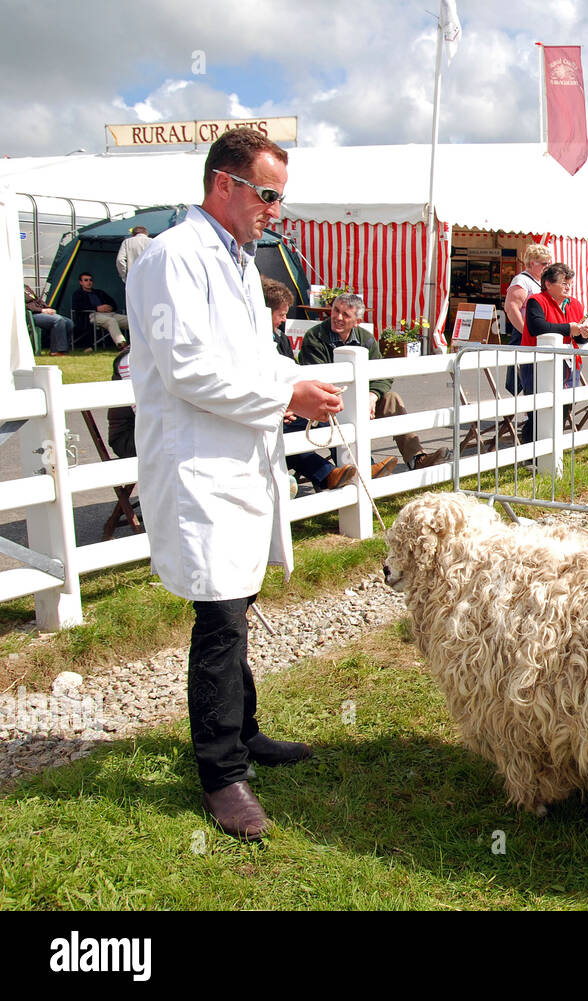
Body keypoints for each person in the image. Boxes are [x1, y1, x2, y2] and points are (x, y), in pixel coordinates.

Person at [127, 127, 343, 841]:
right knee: (219, 618)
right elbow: (188, 369)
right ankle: (221, 774)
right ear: (226, 183)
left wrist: (298, 384)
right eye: (268, 193)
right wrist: (286, 400)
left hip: (238, 461)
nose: (276, 208)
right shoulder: (171, 258)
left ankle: (243, 732)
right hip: (198, 466)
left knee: (238, 604)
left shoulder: (243, 264)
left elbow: (256, 359)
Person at [298, 293, 440, 474]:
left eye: (345, 314)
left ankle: (417, 457)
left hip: (362, 400)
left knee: (391, 399)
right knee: (339, 410)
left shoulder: (366, 338)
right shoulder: (315, 337)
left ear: (357, 321)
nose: (338, 317)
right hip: (331, 402)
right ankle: (366, 468)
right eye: (335, 310)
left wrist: (372, 396)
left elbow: (382, 374)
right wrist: (353, 400)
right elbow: (317, 379)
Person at [262, 278, 359, 493]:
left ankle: (355, 469)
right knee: (297, 428)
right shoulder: (314, 336)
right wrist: (284, 404)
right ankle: (327, 474)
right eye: (281, 314)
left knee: (324, 423)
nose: (285, 319)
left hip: (282, 404)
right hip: (273, 407)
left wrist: (372, 393)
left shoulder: (281, 339)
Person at [518, 261, 588, 443]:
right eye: (564, 283)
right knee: (538, 409)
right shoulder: (536, 301)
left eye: (570, 283)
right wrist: (569, 328)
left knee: (565, 406)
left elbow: (578, 338)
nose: (568, 287)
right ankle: (531, 453)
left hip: (569, 363)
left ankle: (551, 448)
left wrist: (585, 334)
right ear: (548, 284)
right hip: (538, 363)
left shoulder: (575, 304)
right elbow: (538, 327)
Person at [503, 243, 552, 393]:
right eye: (544, 263)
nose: (548, 267)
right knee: (528, 379)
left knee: (538, 378)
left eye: (549, 263)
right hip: (525, 335)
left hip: (537, 334)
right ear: (532, 263)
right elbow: (511, 309)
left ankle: (532, 413)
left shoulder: (538, 281)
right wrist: (526, 332)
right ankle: (529, 415)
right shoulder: (521, 281)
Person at [71, 272, 128, 348]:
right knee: (111, 321)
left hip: (110, 314)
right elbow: (77, 307)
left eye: (90, 280)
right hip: (93, 315)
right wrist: (96, 308)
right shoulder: (78, 294)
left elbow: (113, 303)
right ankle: (122, 344)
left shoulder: (99, 292)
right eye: (86, 280)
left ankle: (141, 343)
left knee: (129, 320)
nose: (89, 282)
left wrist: (110, 307)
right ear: (81, 282)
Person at [24, 284, 73, 355]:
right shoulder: (14, 290)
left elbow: (38, 300)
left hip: (41, 311)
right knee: (58, 320)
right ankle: (57, 351)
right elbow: (25, 306)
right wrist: (41, 310)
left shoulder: (26, 287)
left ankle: (64, 349)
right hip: (32, 314)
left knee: (69, 322)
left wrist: (47, 308)